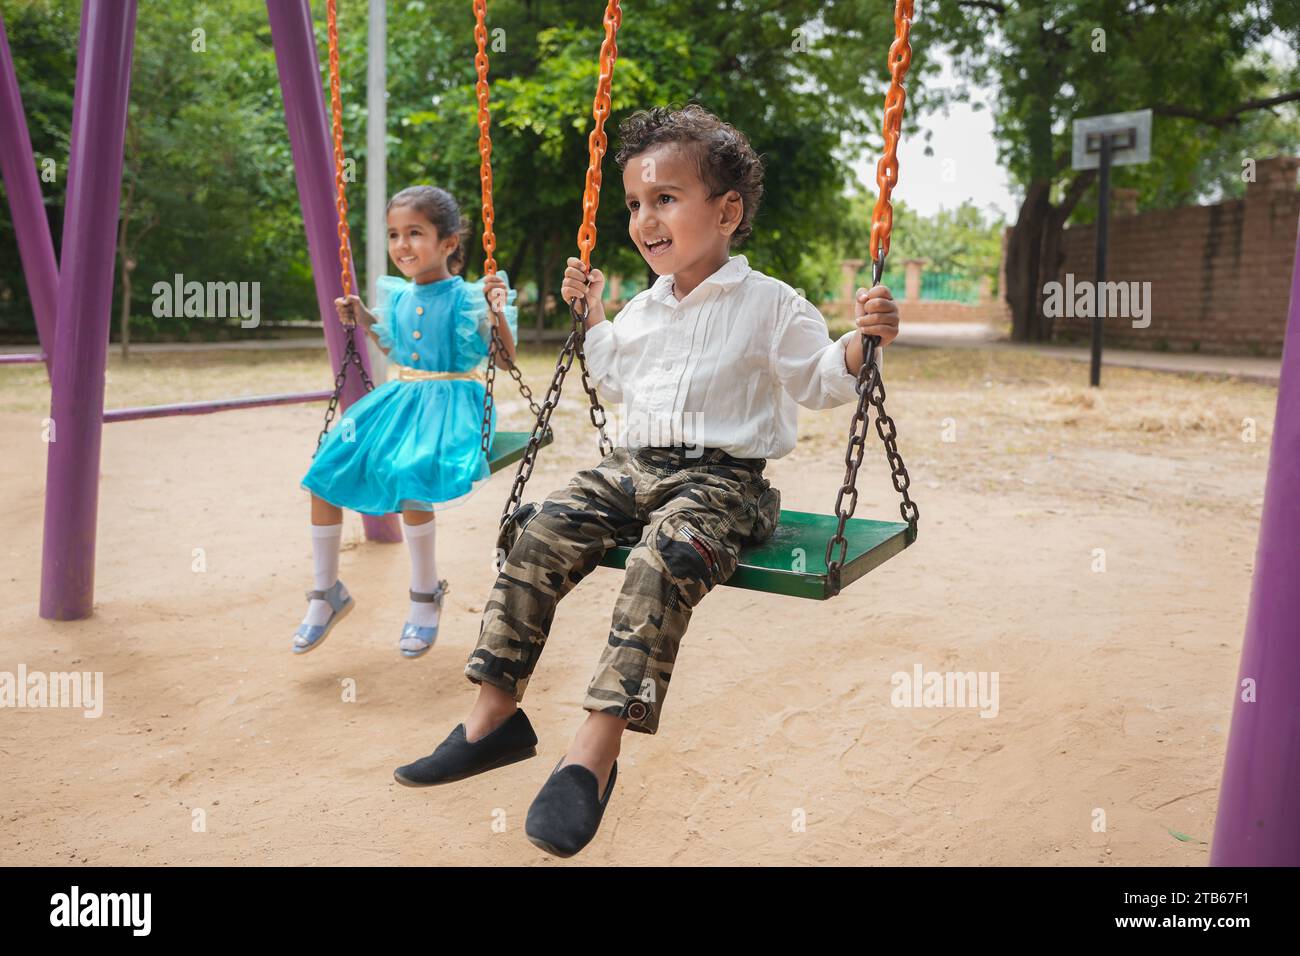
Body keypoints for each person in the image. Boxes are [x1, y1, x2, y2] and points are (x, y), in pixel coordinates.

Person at [394, 105, 901, 857]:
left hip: (723, 482)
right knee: (538, 531)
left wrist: (861, 344)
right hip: (631, 468)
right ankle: (492, 718)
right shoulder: (644, 305)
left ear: (726, 212)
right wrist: (593, 314)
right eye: (635, 203)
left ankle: (591, 753)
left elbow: (820, 379)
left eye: (665, 198)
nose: (644, 218)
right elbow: (609, 367)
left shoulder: (771, 304)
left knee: (664, 557)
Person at [294, 185, 518, 659]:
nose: (402, 246)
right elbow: (399, 351)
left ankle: (424, 593)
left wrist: (496, 313)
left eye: (415, 233)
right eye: (395, 234)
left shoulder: (469, 298)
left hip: (454, 399)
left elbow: (503, 358)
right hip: (401, 396)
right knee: (325, 469)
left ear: (449, 243)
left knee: (410, 470)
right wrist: (366, 318)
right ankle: (325, 591)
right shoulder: (394, 297)